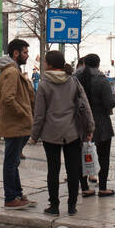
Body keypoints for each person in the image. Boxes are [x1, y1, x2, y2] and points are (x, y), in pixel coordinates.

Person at [30, 50, 95, 215]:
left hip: (50, 133)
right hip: (72, 132)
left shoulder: (44, 84)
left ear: (50, 65)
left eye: (45, 62)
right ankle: (72, 206)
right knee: (73, 169)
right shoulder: (73, 81)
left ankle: (54, 206)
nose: (43, 64)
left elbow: (39, 114)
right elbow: (85, 105)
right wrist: (90, 127)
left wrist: (34, 136)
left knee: (53, 170)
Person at [0, 39, 35, 209]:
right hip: (15, 125)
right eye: (25, 52)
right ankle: (10, 197)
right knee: (11, 162)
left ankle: (17, 194)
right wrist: (24, 114)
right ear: (16, 53)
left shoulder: (15, 70)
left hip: (18, 125)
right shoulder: (12, 72)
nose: (27, 55)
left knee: (14, 162)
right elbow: (8, 99)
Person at [76, 53, 115, 197]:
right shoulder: (102, 80)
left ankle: (85, 187)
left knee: (81, 155)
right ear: (98, 64)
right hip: (101, 123)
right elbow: (109, 103)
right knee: (103, 156)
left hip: (80, 123)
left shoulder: (76, 78)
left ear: (84, 63)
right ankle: (103, 187)